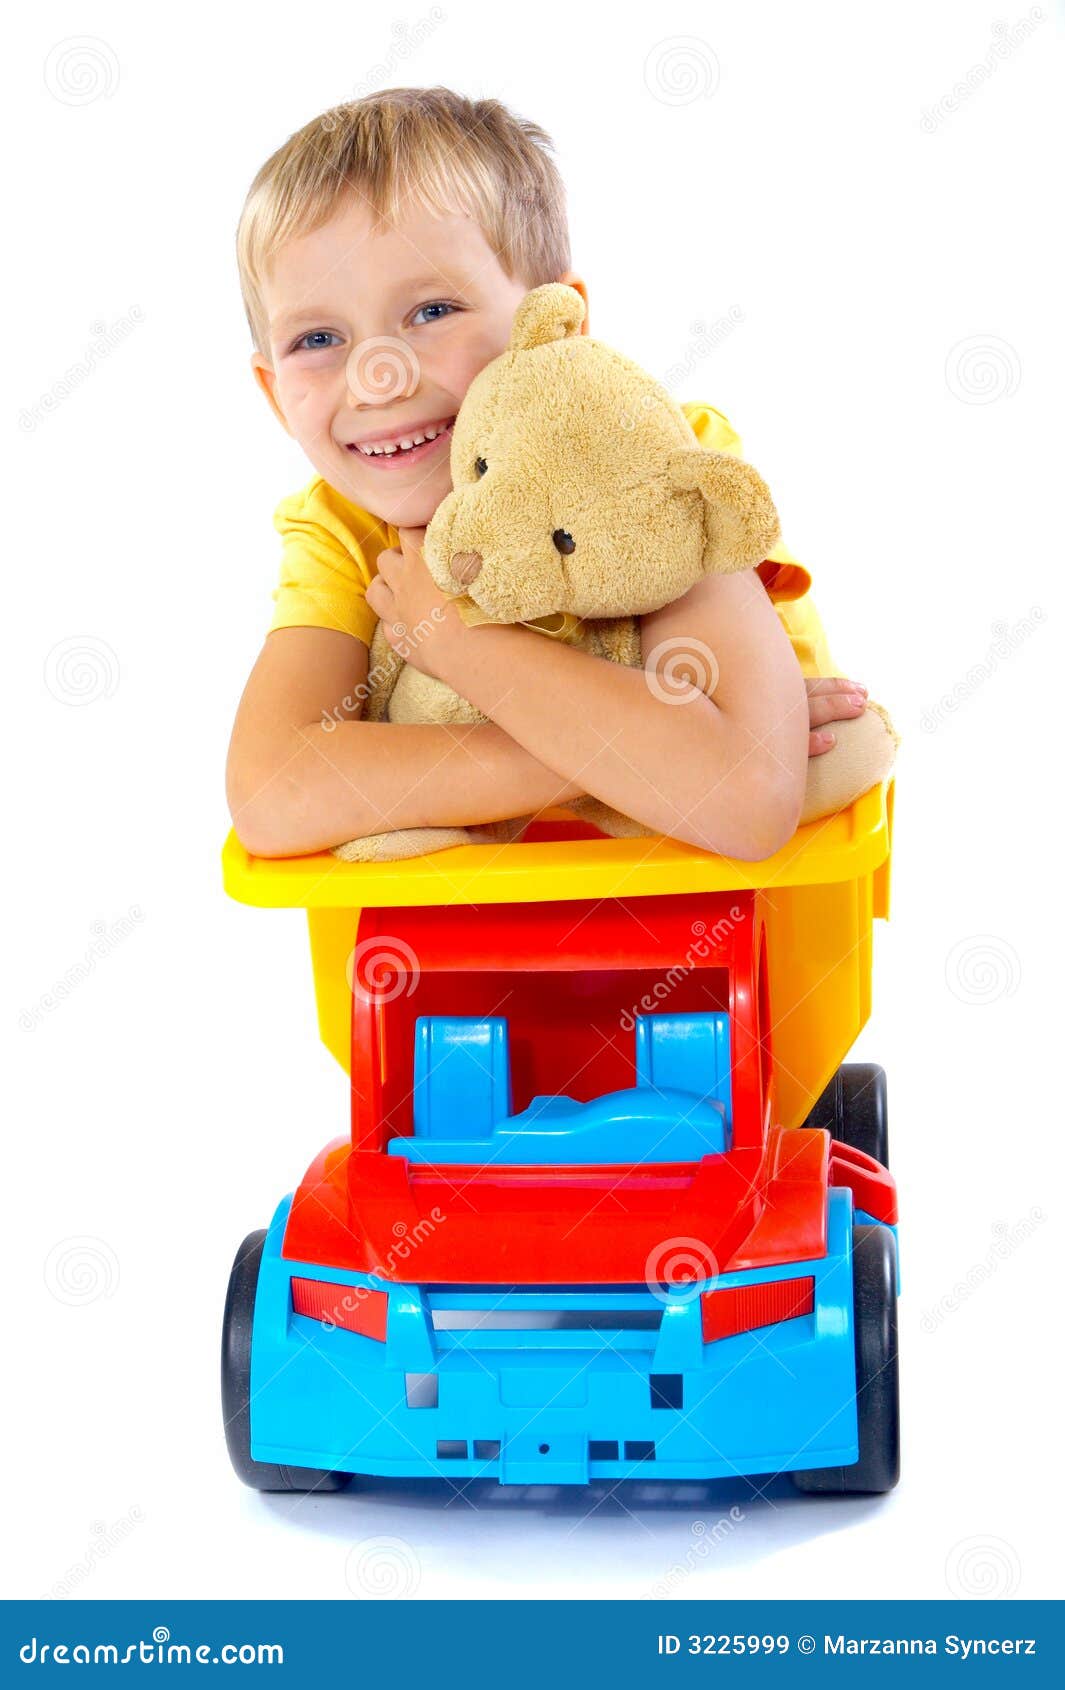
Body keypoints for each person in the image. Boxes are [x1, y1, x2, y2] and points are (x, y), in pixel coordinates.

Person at [226, 88, 869, 861]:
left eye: (431, 311)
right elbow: (273, 793)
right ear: (273, 393)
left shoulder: (649, 456)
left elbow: (741, 799)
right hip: (469, 933)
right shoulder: (340, 530)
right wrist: (604, 760)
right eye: (317, 339)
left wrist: (460, 645)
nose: (377, 379)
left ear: (557, 324)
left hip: (736, 911)